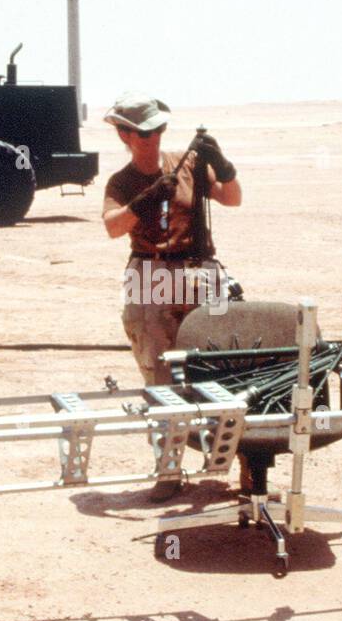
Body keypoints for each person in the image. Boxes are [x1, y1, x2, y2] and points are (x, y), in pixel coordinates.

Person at [101, 91, 243, 501]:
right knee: (159, 375)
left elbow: (232, 199)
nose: (153, 137)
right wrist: (144, 202)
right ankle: (168, 470)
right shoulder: (121, 181)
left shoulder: (190, 165)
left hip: (201, 271)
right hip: (148, 274)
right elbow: (112, 227)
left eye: (158, 129)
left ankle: (228, 459)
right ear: (124, 136)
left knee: (222, 369)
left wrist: (224, 166)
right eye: (143, 132)